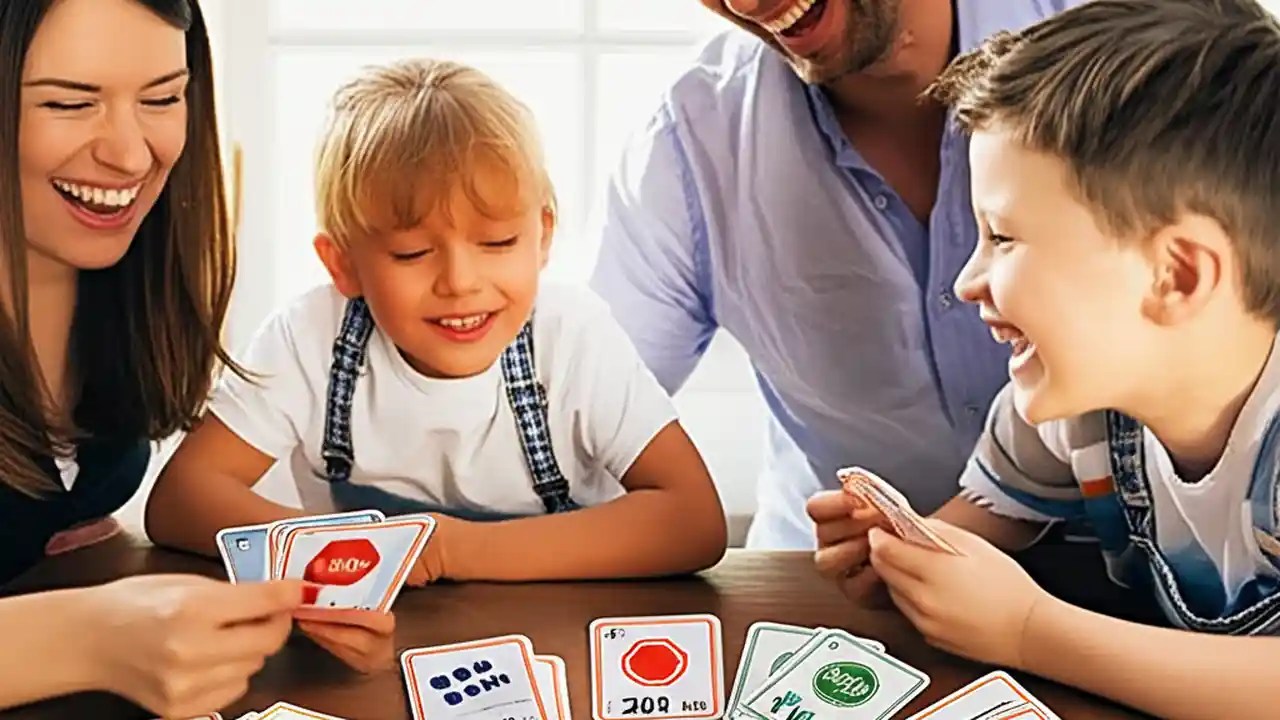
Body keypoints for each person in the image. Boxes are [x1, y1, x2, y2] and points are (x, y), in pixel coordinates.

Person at [810, 1, 1280, 717]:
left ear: (1175, 276)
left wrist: (1032, 632)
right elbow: (988, 516)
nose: (966, 281)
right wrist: (909, 553)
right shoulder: (1078, 401)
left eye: (1003, 238)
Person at [144, 59, 728, 587]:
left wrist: (455, 550)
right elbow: (181, 501)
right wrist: (362, 554)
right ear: (343, 264)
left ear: (543, 236)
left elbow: (693, 520)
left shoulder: (573, 337)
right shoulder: (309, 338)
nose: (460, 281)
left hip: (556, 630)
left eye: (498, 242)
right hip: (378, 631)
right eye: (411, 254)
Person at [588, 0, 1083, 549]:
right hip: (840, 587)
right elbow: (584, 425)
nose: (745, 5)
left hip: (1140, 589)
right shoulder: (691, 144)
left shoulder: (1144, 63)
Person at [0, 0, 318, 716]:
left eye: (163, 98)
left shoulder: (124, 296)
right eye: (69, 103)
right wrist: (87, 633)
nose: (131, 154)